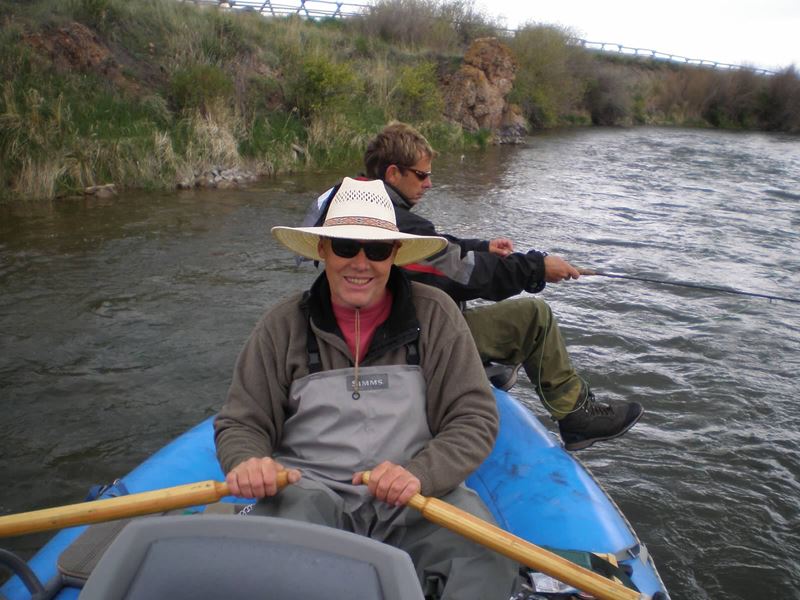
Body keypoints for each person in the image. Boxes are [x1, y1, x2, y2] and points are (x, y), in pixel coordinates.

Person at [214, 177, 519, 599]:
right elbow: (241, 422)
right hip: (308, 493)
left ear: (394, 254)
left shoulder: (437, 316)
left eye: (376, 249)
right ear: (323, 250)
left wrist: (420, 473)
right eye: (345, 246)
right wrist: (247, 461)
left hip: (413, 499)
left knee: (488, 556)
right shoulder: (280, 326)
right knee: (263, 555)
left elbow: (474, 417)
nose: (360, 263)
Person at [304, 123, 643, 451]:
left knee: (451, 304)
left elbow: (434, 249)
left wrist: (481, 246)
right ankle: (576, 415)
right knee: (533, 317)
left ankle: (488, 367)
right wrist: (537, 267)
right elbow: (463, 274)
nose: (430, 183)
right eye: (422, 175)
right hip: (405, 345)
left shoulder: (346, 203)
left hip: (377, 333)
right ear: (394, 173)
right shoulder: (394, 226)